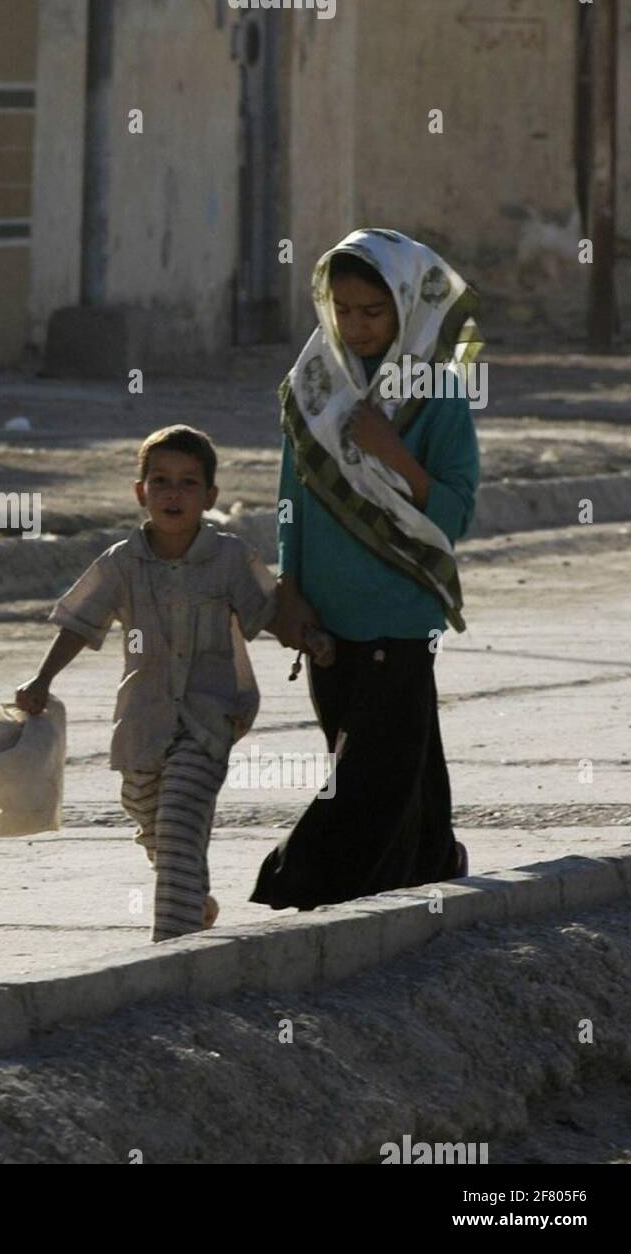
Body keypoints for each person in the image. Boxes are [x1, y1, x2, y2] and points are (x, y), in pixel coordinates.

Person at [14, 425, 332, 943]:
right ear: (140, 492)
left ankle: (174, 943)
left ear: (209, 496)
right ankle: (193, 900)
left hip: (212, 716)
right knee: (150, 818)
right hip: (143, 721)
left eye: (187, 483)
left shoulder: (229, 558)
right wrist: (43, 678)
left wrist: (308, 637)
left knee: (182, 815)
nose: (172, 493)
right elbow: (79, 623)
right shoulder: (122, 562)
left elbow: (267, 611)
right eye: (160, 480)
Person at [251, 228, 482, 911]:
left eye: (373, 313)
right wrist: (288, 591)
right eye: (343, 310)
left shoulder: (436, 393)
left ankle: (296, 894)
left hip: (401, 619)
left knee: (370, 781)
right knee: (405, 773)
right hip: (325, 622)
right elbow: (291, 498)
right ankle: (435, 863)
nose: (356, 326)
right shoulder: (314, 385)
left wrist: (392, 453)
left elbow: (456, 512)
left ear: (406, 309)